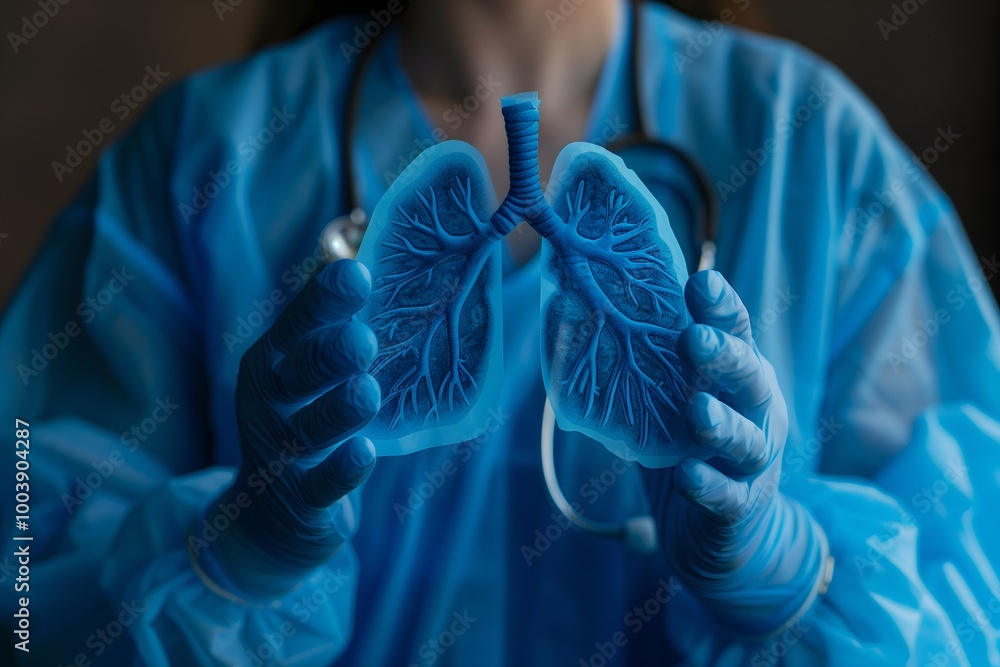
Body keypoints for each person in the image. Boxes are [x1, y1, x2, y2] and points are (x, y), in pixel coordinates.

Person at [3, 0, 999, 665]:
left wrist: (786, 570)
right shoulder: (204, 154)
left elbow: (979, 597)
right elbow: (22, 590)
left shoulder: (808, 144)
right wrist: (238, 550)